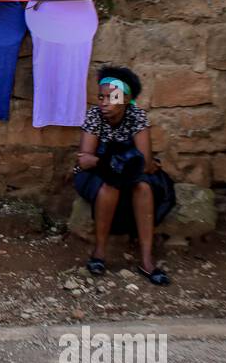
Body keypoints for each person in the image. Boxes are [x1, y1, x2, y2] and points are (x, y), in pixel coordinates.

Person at [72, 65, 175, 285]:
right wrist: (108, 163)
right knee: (111, 185)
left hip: (131, 172)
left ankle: (147, 260)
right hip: (98, 175)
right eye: (102, 96)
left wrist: (105, 161)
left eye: (112, 97)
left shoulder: (137, 116)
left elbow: (146, 164)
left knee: (144, 188)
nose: (104, 102)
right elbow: (85, 160)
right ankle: (99, 252)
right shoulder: (94, 116)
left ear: (126, 99)